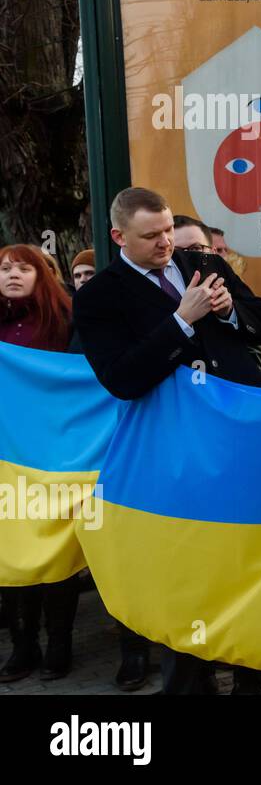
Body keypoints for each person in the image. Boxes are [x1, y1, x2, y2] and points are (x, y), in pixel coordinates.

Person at [72, 187, 261, 694]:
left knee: (247, 563)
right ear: (119, 236)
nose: (166, 242)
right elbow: (121, 378)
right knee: (188, 574)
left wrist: (230, 311)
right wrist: (181, 321)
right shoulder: (99, 296)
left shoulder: (201, 263)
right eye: (152, 235)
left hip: (237, 441)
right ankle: (189, 683)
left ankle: (252, 679)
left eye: (168, 229)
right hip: (174, 454)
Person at [0, 244, 80, 683]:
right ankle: (22, 644)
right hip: (7, 459)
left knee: (55, 550)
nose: (12, 274)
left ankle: (59, 644)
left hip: (53, 456)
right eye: (4, 269)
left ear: (41, 275)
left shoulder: (65, 322)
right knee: (12, 550)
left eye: (23, 268)